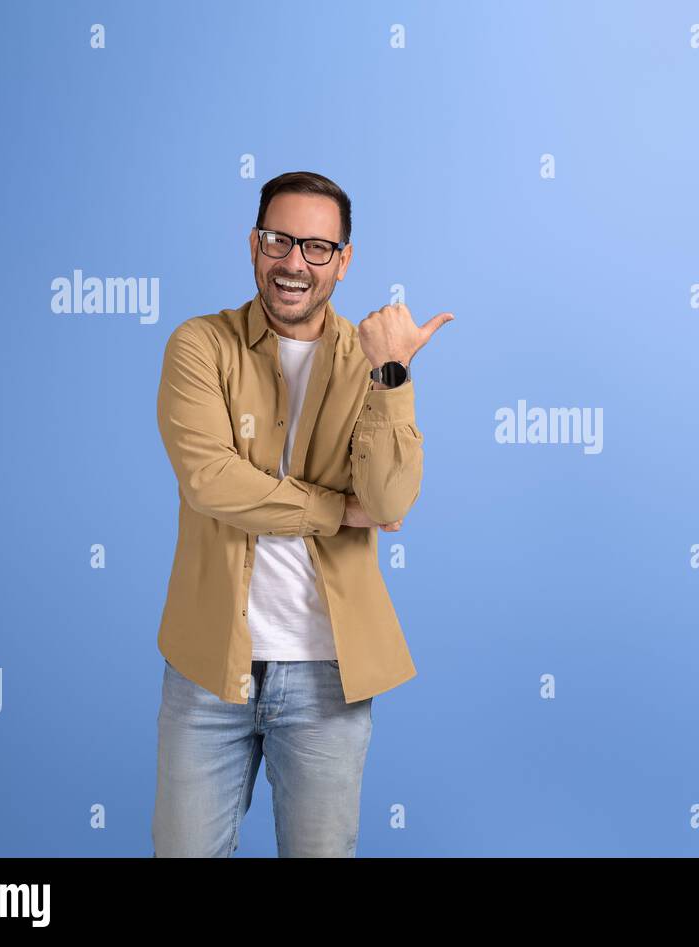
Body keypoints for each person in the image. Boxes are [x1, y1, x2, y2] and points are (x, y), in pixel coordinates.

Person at [151, 170, 453, 856]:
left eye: (318, 248)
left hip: (329, 676)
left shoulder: (367, 360)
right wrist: (333, 509)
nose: (294, 262)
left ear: (344, 260)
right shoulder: (200, 346)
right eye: (278, 240)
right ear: (252, 244)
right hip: (208, 669)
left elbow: (388, 501)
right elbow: (211, 481)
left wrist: (393, 374)